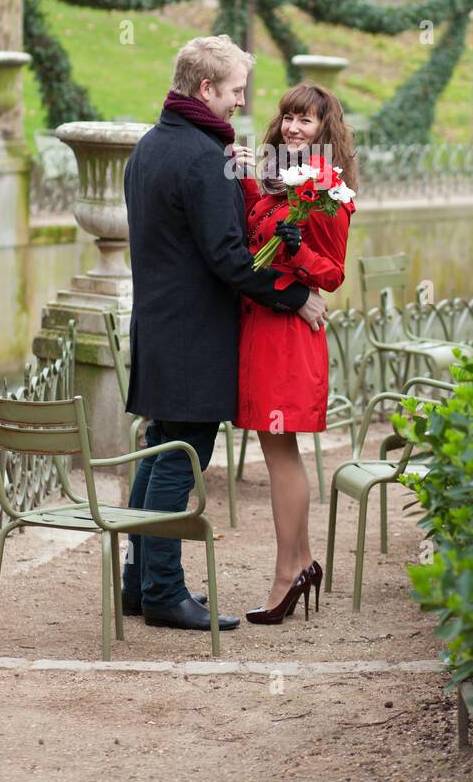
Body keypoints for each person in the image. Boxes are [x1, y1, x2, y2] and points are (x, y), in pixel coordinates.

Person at [121, 36, 328, 633]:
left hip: (157, 329)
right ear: (206, 90)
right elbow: (230, 259)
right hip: (194, 339)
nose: (242, 101)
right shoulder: (202, 158)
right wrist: (295, 297)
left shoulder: (149, 148)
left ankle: (139, 584)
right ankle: (163, 590)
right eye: (236, 90)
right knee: (181, 459)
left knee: (160, 451)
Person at [234, 83, 357, 624]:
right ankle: (302, 563)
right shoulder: (276, 176)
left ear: (325, 130)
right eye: (288, 117)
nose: (293, 128)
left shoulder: (327, 187)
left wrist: (295, 246)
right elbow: (248, 230)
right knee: (276, 451)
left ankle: (287, 576)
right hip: (263, 323)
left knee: (281, 454)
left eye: (306, 121)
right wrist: (243, 178)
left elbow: (332, 272)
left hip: (288, 335)